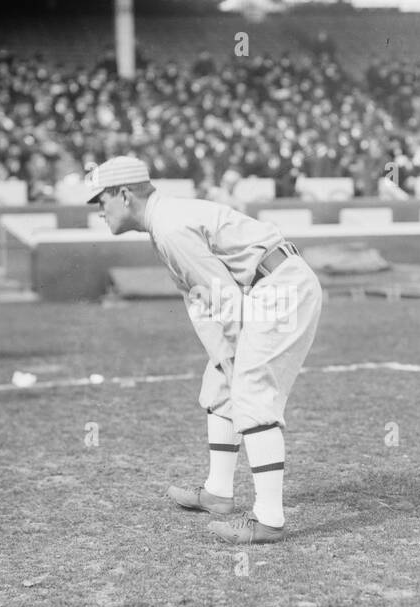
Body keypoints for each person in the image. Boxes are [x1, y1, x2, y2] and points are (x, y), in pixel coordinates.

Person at [88, 155, 323, 544]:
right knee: (219, 381)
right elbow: (205, 300)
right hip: (264, 285)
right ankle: (218, 491)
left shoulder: (169, 228)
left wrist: (232, 353)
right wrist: (223, 355)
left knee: (250, 387)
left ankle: (268, 518)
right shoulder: (165, 223)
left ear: (125, 195)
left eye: (102, 200)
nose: (100, 210)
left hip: (279, 286)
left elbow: (222, 298)